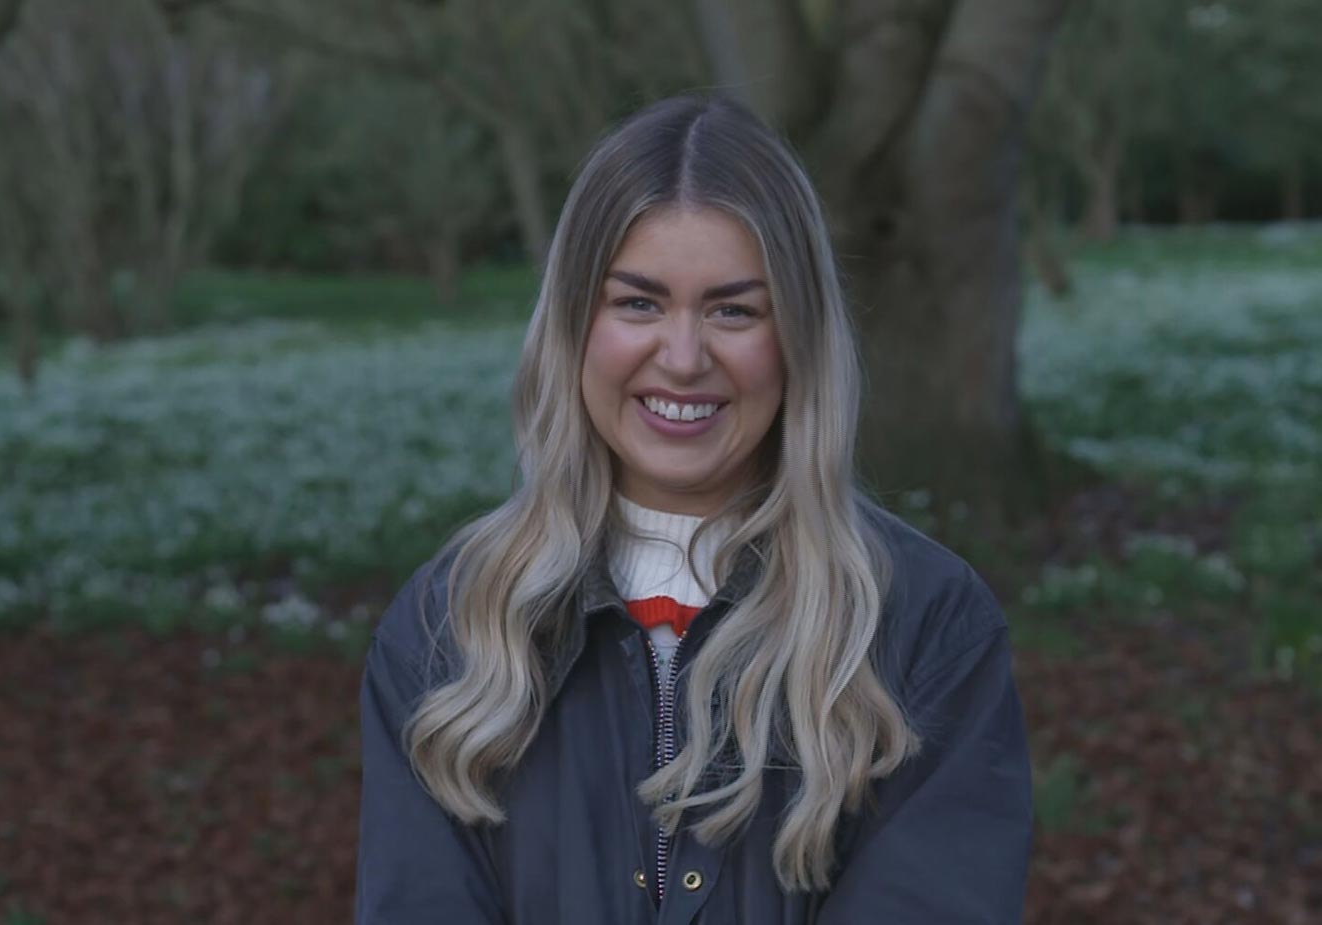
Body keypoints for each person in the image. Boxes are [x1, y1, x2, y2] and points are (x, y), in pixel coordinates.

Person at [354, 94, 1033, 924]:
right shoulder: (445, 629)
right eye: (637, 302)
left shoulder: (925, 626)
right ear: (574, 324)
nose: (682, 358)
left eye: (733, 310)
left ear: (799, 339)